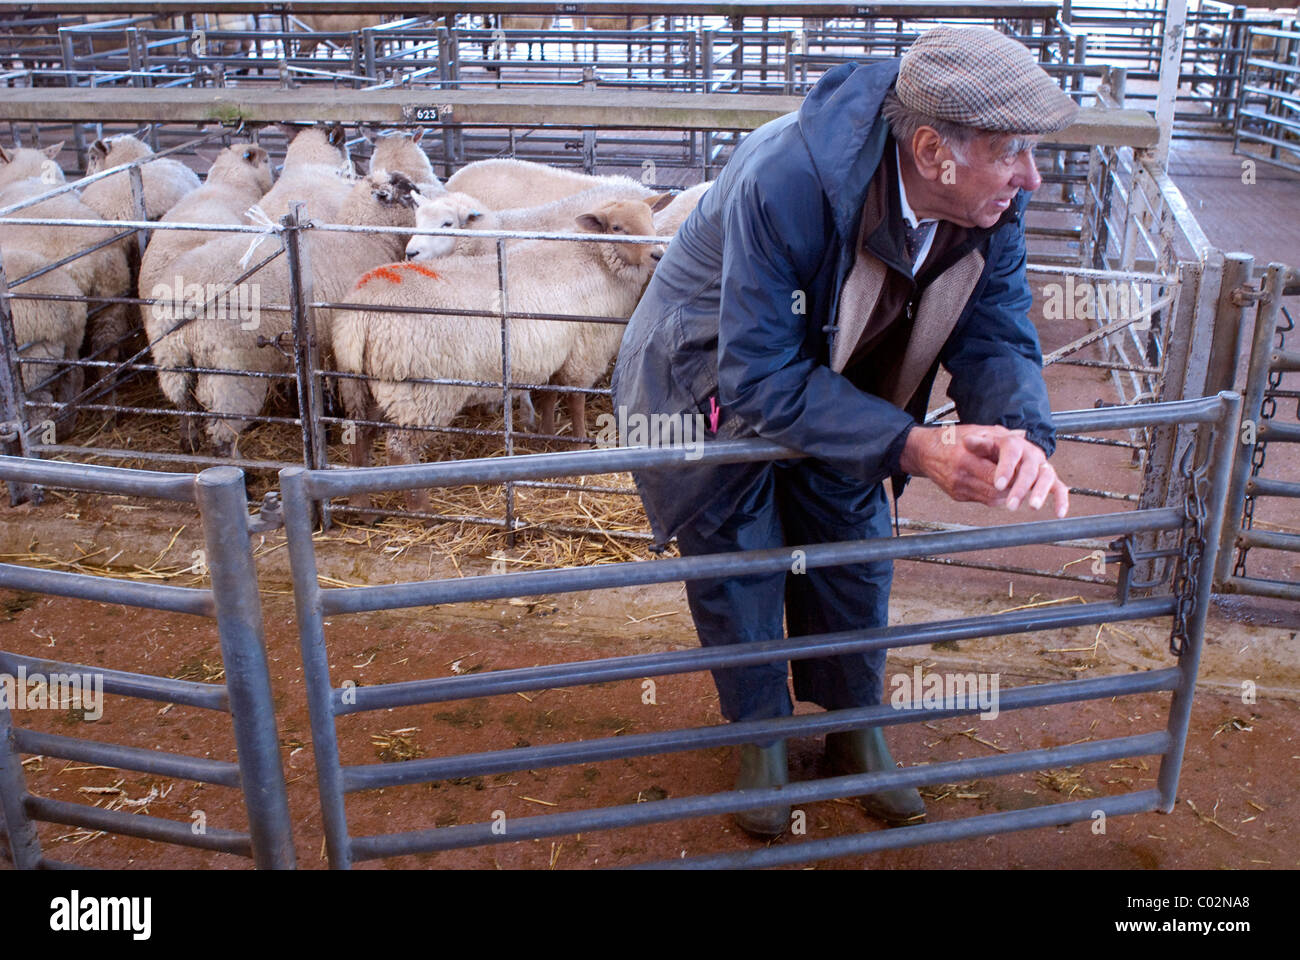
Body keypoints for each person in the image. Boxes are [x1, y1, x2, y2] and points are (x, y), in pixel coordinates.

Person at [611, 26, 1077, 838]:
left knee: (852, 539)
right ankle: (762, 739)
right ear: (934, 150)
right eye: (1012, 150)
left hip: (844, 368)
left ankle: (855, 726)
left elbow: (995, 328)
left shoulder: (992, 200)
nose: (1031, 175)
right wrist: (911, 443)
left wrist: (1017, 430)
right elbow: (757, 375)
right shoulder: (786, 179)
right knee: (740, 549)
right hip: (707, 373)